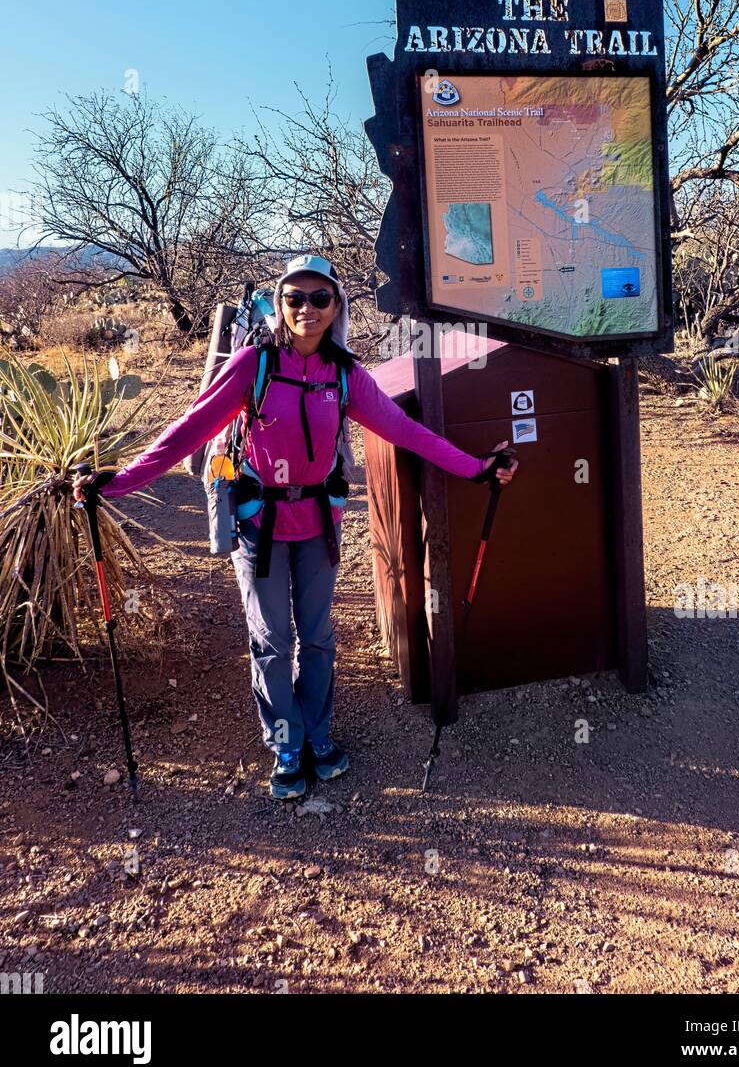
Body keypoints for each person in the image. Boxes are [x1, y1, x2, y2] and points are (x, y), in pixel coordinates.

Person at [75, 254, 518, 800]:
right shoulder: (252, 365)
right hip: (258, 524)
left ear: (337, 306)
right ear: (281, 305)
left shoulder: (344, 374)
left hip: (317, 525)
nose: (307, 308)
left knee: (318, 637)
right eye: (294, 298)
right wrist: (116, 481)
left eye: (319, 298)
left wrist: (476, 469)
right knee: (271, 642)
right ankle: (286, 744)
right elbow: (188, 431)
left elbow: (404, 431)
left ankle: (318, 735)